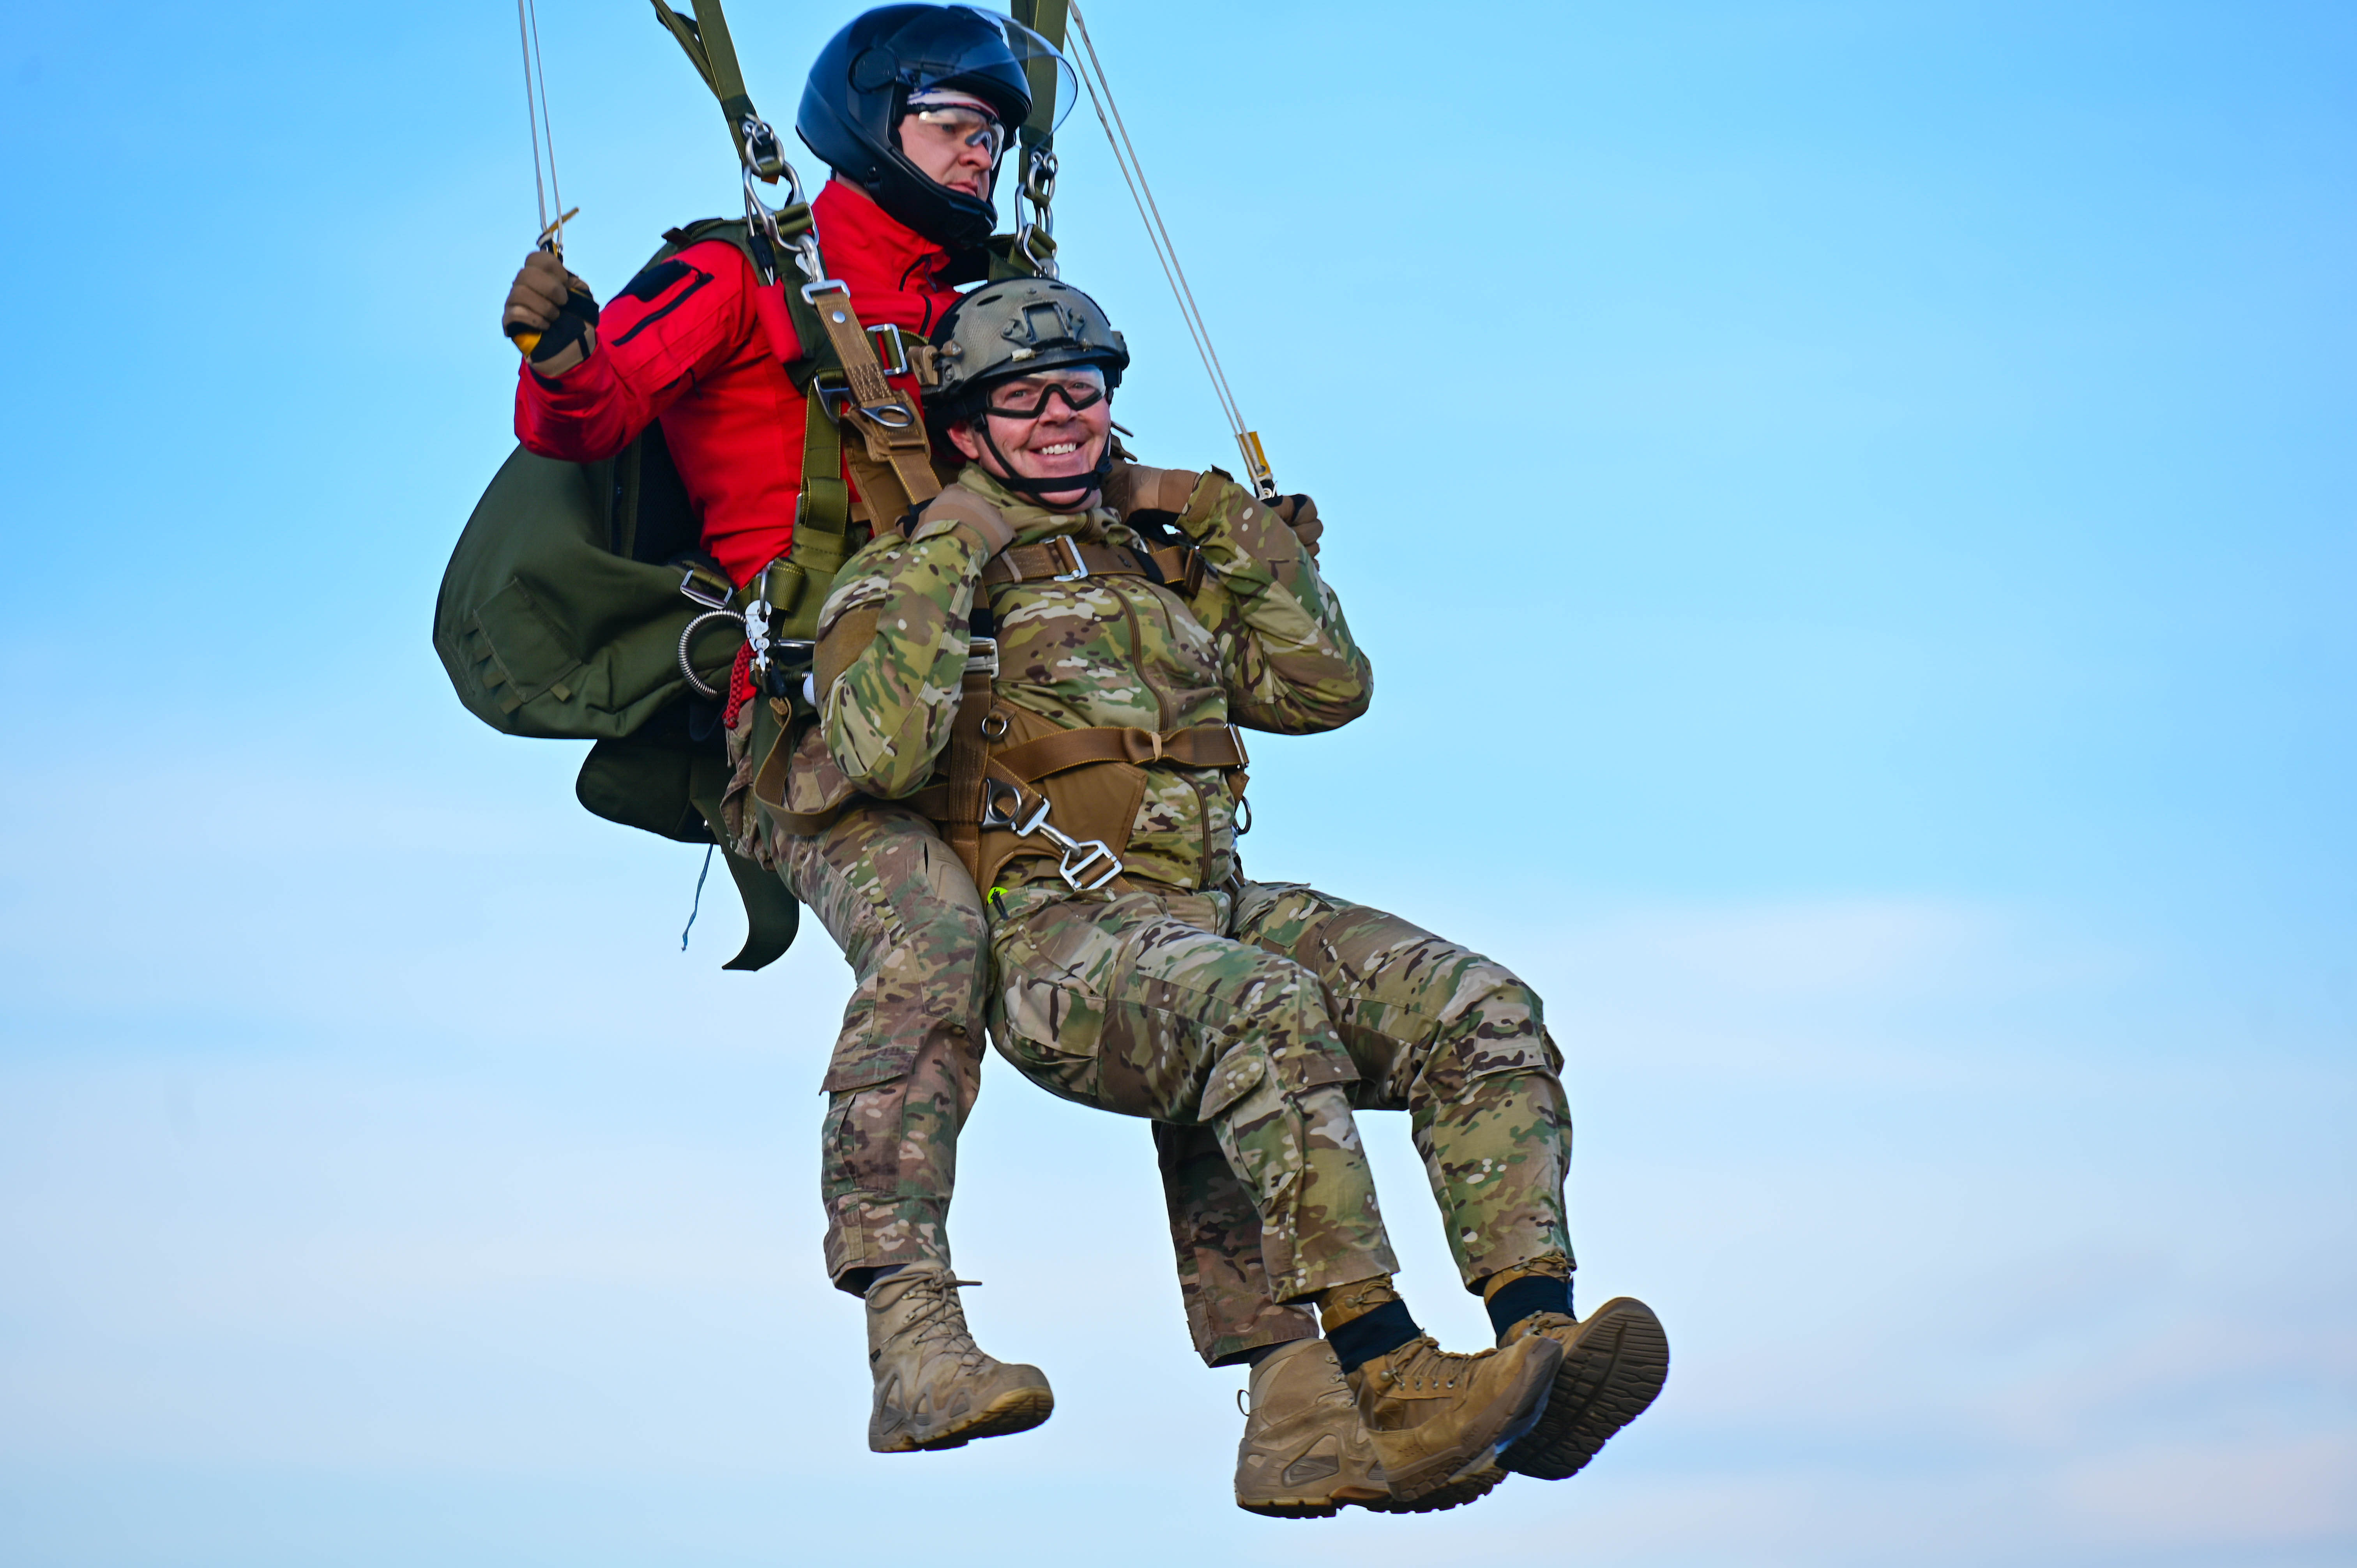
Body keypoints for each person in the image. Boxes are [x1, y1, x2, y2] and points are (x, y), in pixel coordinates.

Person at [804, 276, 1672, 1509]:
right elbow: (882, 755)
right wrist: (955, 542)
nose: (1062, 417)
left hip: (1211, 907)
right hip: (1063, 950)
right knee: (1263, 1008)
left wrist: (1219, 517)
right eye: (1024, 397)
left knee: (1480, 1004)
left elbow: (1325, 687)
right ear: (966, 426)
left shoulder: (1158, 560)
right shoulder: (906, 577)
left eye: (1083, 392)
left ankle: (1537, 1335)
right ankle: (1385, 1369)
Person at [497, 4, 1059, 1455]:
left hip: (987, 726)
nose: (982, 153)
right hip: (805, 734)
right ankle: (911, 1339)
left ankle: (1322, 1373)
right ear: (877, 126)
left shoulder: (986, 314)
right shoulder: (742, 276)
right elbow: (595, 408)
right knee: (932, 937)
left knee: (1192, 952)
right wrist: (560, 352)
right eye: (953, 123)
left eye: (995, 132)